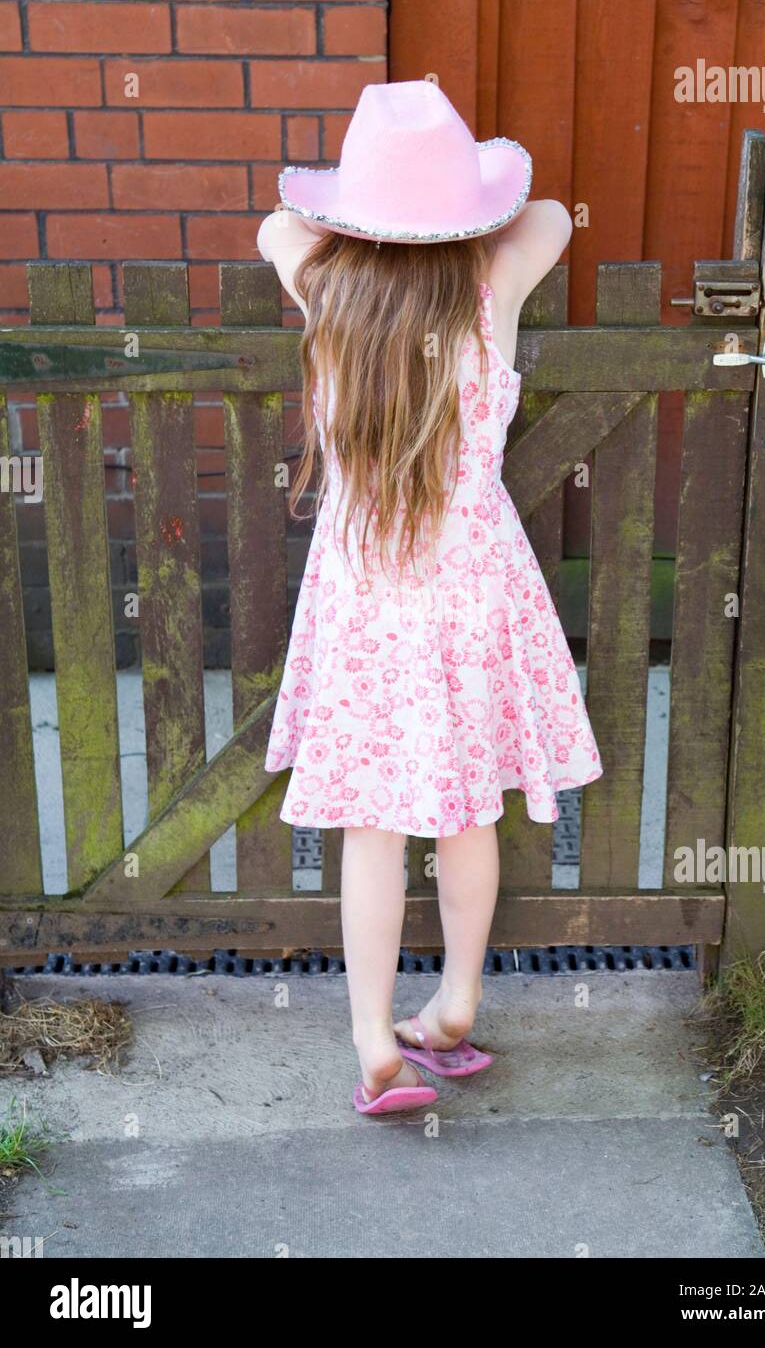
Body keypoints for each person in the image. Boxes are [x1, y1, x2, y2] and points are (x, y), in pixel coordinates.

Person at [256, 80, 602, 1115]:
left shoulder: (325, 288)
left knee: (371, 823)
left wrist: (357, 225)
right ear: (463, 220)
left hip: (366, 591)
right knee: (465, 810)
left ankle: (372, 1037)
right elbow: (543, 215)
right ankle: (451, 1002)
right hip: (469, 586)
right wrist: (467, 219)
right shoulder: (489, 289)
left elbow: (278, 220)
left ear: (357, 219)